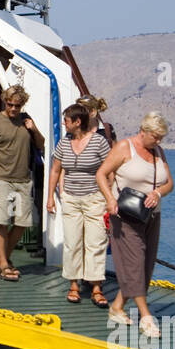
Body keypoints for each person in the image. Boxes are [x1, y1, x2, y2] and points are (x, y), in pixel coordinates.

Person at [96, 111, 174, 338]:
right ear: (144, 131)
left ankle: (117, 307)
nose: (159, 141)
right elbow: (101, 174)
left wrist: (158, 193)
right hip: (125, 217)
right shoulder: (124, 147)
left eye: (162, 137)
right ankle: (146, 317)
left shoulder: (159, 152)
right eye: (156, 136)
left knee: (146, 265)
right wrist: (110, 199)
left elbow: (170, 183)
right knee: (134, 264)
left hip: (151, 216)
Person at [47, 103, 111, 306]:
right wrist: (51, 197)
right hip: (71, 199)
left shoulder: (99, 142)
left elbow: (109, 170)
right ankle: (74, 284)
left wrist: (110, 198)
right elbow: (55, 170)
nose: (64, 124)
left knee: (95, 242)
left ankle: (96, 287)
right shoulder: (64, 143)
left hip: (94, 198)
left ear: (77, 122)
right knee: (72, 242)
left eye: (66, 120)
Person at [0, 85, 45, 281]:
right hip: (1, 178)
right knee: (1, 222)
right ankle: (5, 265)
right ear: (4, 102)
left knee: (23, 223)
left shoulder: (26, 121)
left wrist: (34, 130)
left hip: (24, 179)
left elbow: (41, 145)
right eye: (10, 104)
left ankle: (3, 258)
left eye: (17, 105)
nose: (13, 109)